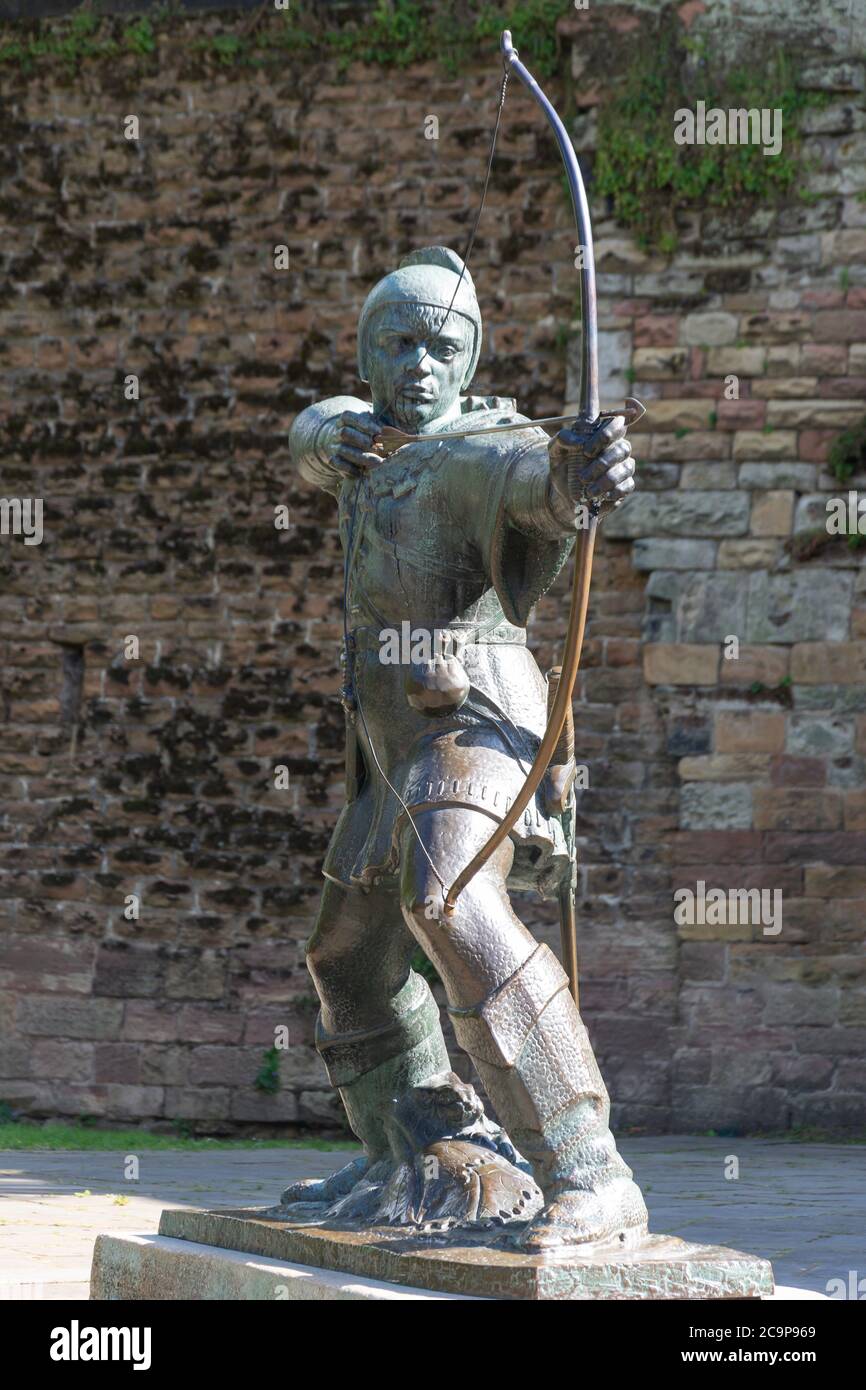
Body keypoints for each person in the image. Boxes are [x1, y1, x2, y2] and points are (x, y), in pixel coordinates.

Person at [286, 246, 646, 1250]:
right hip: (389, 745)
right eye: (394, 342)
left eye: (441, 344)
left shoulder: (487, 447)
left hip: (472, 721)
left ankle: (589, 1170)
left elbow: (540, 482)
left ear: (471, 357)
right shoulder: (363, 446)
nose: (418, 362)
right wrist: (323, 428)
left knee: (446, 898)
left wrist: (578, 473)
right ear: (366, 354)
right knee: (347, 957)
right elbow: (309, 438)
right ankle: (414, 1149)